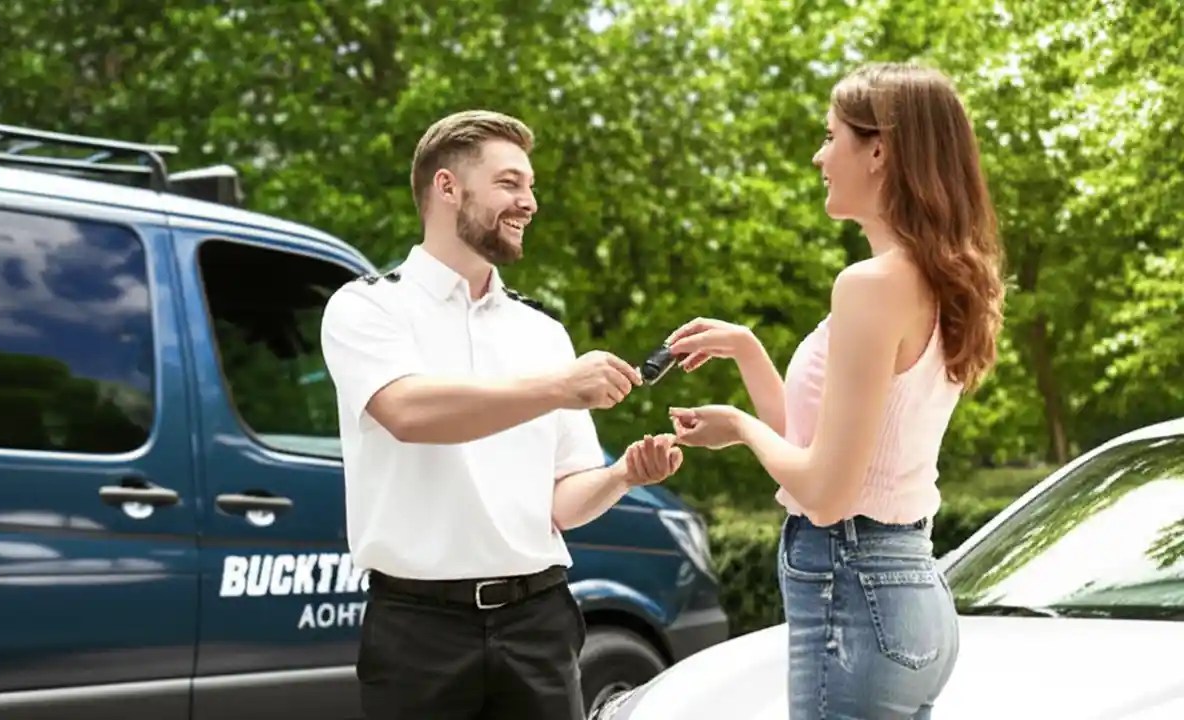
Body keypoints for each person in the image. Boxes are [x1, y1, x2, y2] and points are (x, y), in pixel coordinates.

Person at [666, 63, 1005, 718]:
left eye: (830, 136)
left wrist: (739, 426)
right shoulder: (934, 279)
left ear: (879, 150)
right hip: (909, 592)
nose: (819, 156)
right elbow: (825, 448)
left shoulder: (870, 285)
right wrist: (748, 351)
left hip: (854, 589)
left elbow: (824, 494)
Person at [320, 109, 684, 720]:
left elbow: (561, 503)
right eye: (510, 183)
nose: (530, 202)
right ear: (447, 187)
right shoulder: (366, 308)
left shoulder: (542, 331)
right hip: (418, 632)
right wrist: (560, 386)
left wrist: (623, 474)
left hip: (539, 624)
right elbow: (408, 412)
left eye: (531, 186)